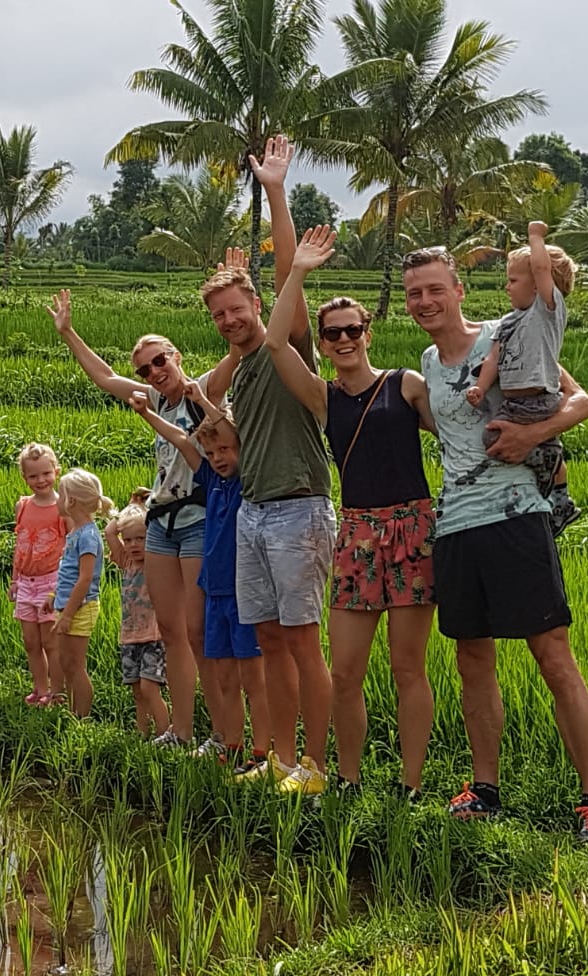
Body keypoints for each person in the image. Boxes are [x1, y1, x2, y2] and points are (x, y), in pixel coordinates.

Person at [400, 245, 588, 843]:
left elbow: (581, 401)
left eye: (435, 289)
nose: (424, 302)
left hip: (517, 515)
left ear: (459, 289)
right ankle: (485, 787)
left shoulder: (508, 331)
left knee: (552, 653)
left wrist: (531, 434)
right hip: (457, 524)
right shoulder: (427, 363)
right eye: (415, 293)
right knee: (472, 657)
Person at [264, 225, 437, 800]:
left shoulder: (406, 385)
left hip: (412, 526)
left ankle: (410, 785)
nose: (342, 339)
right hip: (358, 530)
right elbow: (273, 344)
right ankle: (348, 778)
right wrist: (298, 272)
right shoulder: (323, 397)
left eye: (351, 330)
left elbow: (458, 435)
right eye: (332, 333)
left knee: (408, 666)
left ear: (368, 332)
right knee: (345, 671)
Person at [49, 273, 243, 748]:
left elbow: (240, 351)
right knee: (172, 631)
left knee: (199, 633)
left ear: (176, 356)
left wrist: (239, 288)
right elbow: (102, 376)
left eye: (160, 361)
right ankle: (181, 730)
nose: (154, 372)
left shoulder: (204, 392)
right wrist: (69, 332)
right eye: (145, 369)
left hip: (199, 517)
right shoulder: (154, 399)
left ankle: (224, 736)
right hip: (162, 520)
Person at [198, 135, 335, 795]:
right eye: (219, 316)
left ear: (259, 306)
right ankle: (279, 760)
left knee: (304, 644)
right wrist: (227, 289)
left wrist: (275, 190)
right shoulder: (242, 365)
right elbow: (208, 389)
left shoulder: (287, 348)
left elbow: (287, 274)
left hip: (299, 507)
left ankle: (314, 764)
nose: (231, 321)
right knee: (273, 642)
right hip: (254, 512)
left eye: (239, 309)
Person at [129, 385, 273, 774]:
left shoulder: (251, 482)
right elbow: (180, 438)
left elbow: (230, 431)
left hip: (245, 590)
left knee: (252, 677)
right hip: (214, 589)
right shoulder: (211, 480)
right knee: (224, 672)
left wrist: (206, 404)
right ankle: (232, 742)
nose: (218, 458)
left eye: (225, 450)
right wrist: (146, 414)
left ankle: (262, 752)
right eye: (211, 453)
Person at [465, 221, 580, 533]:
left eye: (513, 280)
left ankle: (554, 478)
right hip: (514, 403)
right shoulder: (507, 322)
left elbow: (542, 269)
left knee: (521, 446)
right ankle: (558, 493)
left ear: (537, 286)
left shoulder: (545, 311)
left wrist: (535, 237)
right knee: (492, 439)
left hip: (539, 398)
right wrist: (480, 387)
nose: (507, 286)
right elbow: (493, 359)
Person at [51, 467, 116, 719]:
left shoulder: (88, 536)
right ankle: (72, 713)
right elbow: (68, 574)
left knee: (75, 665)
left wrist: (67, 614)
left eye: (60, 494)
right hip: (67, 605)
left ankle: (82, 718)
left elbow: (85, 578)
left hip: (80, 608)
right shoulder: (76, 532)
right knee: (66, 663)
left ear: (71, 500)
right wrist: (53, 598)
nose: (57, 499)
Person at [106, 495, 171, 738]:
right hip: (130, 636)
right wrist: (132, 506)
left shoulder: (156, 561)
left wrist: (147, 509)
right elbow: (110, 531)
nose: (133, 545)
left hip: (154, 635)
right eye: (129, 540)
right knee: (137, 690)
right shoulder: (127, 562)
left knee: (150, 687)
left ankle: (165, 733)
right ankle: (142, 734)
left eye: (141, 539)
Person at [11, 442, 66, 707]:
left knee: (50, 642)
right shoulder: (22, 506)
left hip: (50, 582)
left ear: (56, 471)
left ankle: (56, 693)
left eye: (46, 473)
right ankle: (40, 688)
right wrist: (14, 579)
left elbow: (70, 550)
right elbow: (20, 545)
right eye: (33, 475)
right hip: (25, 582)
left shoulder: (62, 508)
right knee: (30, 642)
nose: (40, 480)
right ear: (25, 477)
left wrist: (62, 588)